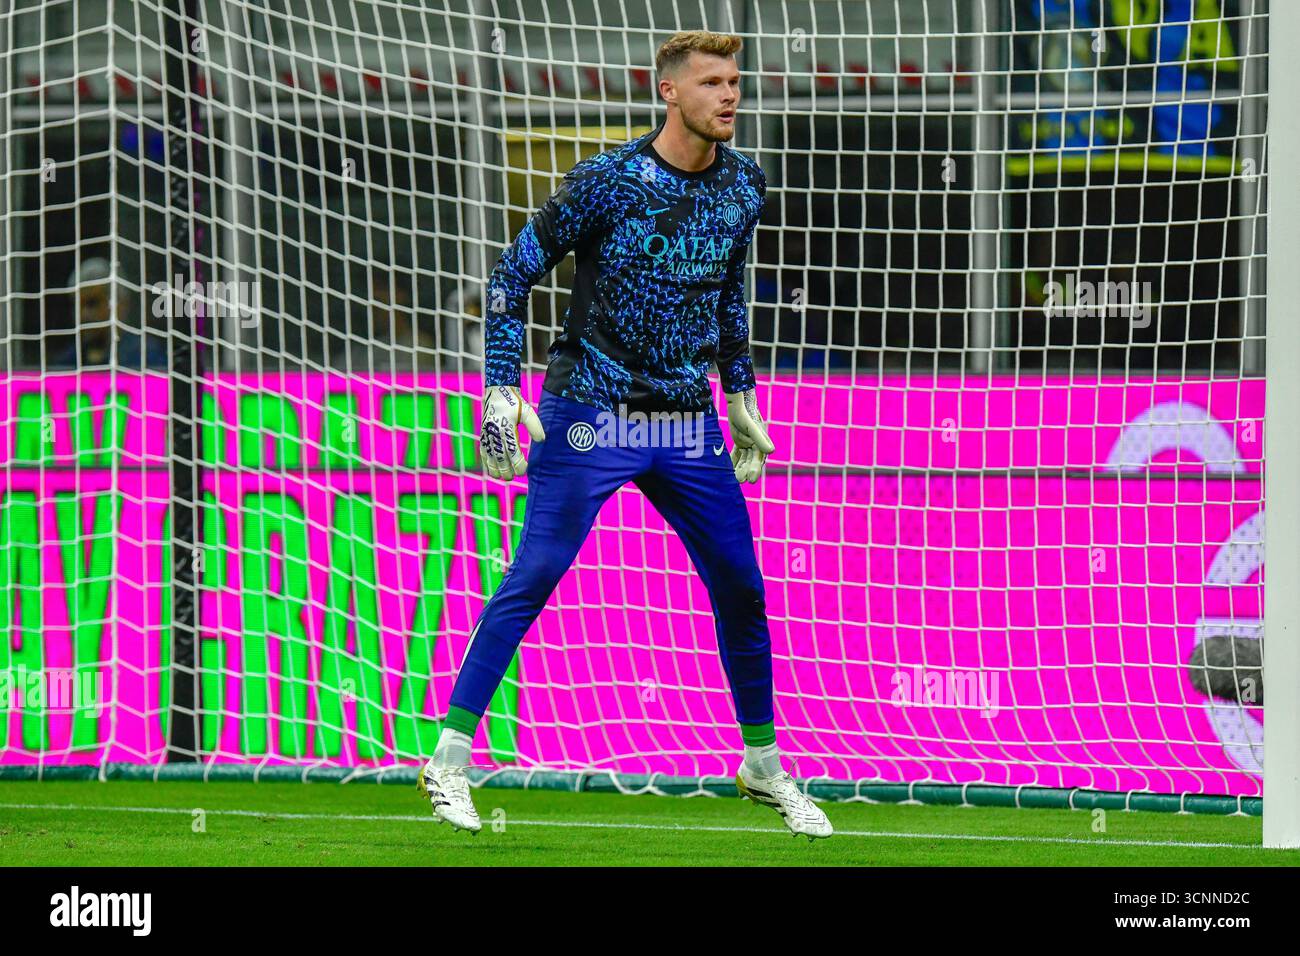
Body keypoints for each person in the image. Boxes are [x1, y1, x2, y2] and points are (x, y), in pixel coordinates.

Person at [417, 30, 832, 841]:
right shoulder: (607, 181)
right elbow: (509, 278)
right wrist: (503, 384)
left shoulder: (745, 185)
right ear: (668, 92)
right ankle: (450, 759)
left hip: (686, 422)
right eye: (712, 82)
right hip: (590, 414)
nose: (730, 95)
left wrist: (739, 391)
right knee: (536, 569)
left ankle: (763, 766)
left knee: (742, 586)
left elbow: (728, 294)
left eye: (735, 81)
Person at [47, 258, 167, 370]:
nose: (83, 314)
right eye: (77, 305)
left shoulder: (147, 357)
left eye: (92, 303)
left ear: (120, 305)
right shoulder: (65, 363)